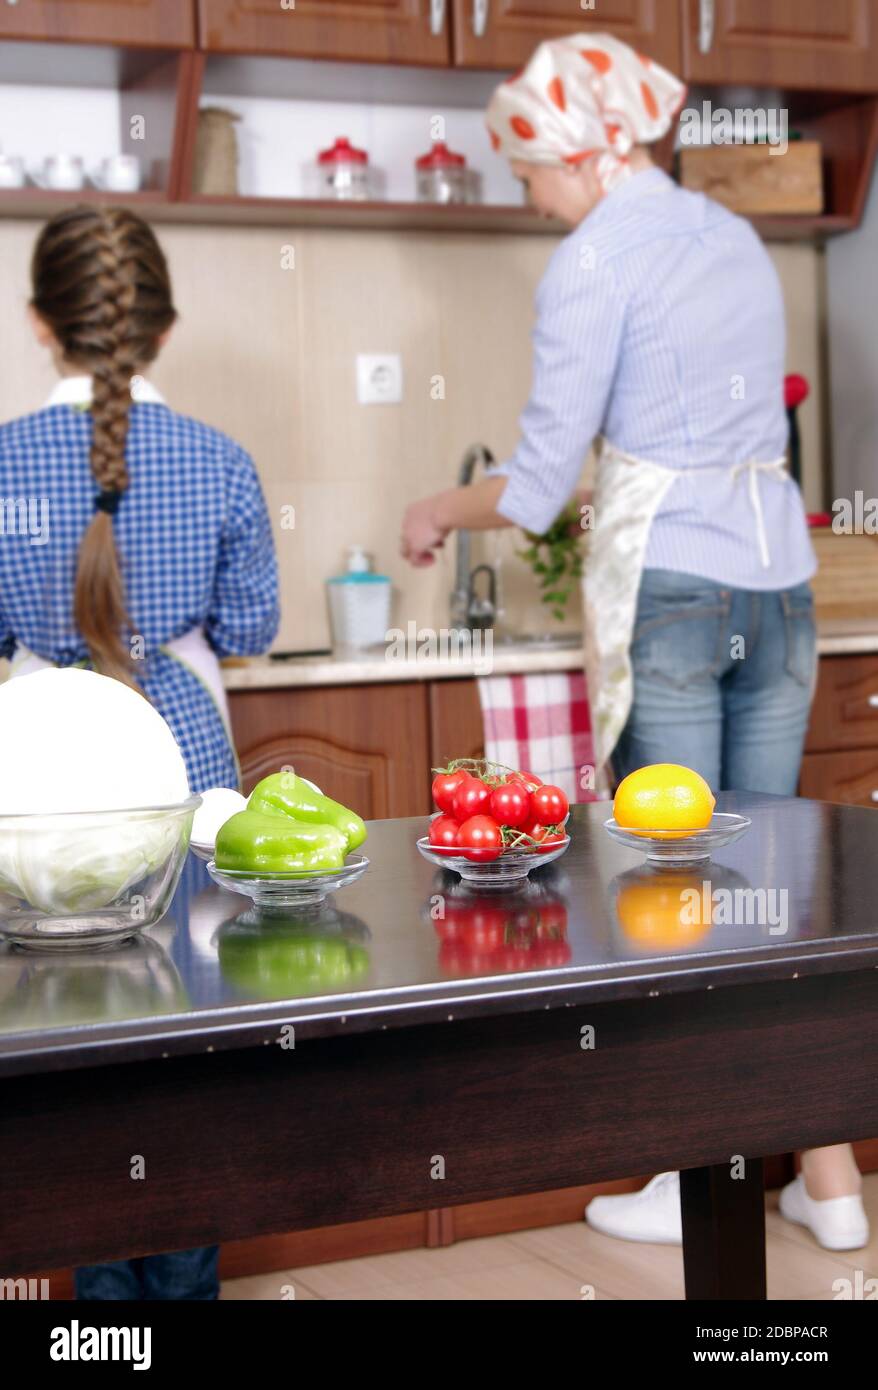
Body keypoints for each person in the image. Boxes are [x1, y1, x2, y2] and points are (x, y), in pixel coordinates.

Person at [400, 33, 868, 1252]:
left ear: (584, 151)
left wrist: (435, 509)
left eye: (531, 171)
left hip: (672, 586)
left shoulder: (590, 260)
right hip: (776, 584)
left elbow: (545, 482)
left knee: (676, 889)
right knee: (768, 887)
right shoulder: (731, 236)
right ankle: (827, 1180)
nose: (526, 194)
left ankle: (685, 1173)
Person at [0, 205, 280, 1296]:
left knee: (71, 1056)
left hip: (40, 787)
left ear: (38, 324)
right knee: (191, 1049)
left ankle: (104, 1318)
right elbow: (251, 630)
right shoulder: (219, 459)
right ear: (161, 331)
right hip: (189, 773)